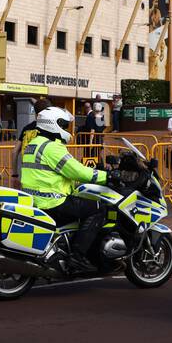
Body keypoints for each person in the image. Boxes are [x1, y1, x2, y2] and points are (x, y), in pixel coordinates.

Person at [18, 107, 109, 274]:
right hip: (53, 201)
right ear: (55, 124)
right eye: (65, 125)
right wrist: (108, 176)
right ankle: (77, 256)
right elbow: (80, 172)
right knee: (98, 209)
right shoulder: (52, 147)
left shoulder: (33, 145)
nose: (67, 129)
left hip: (36, 199)